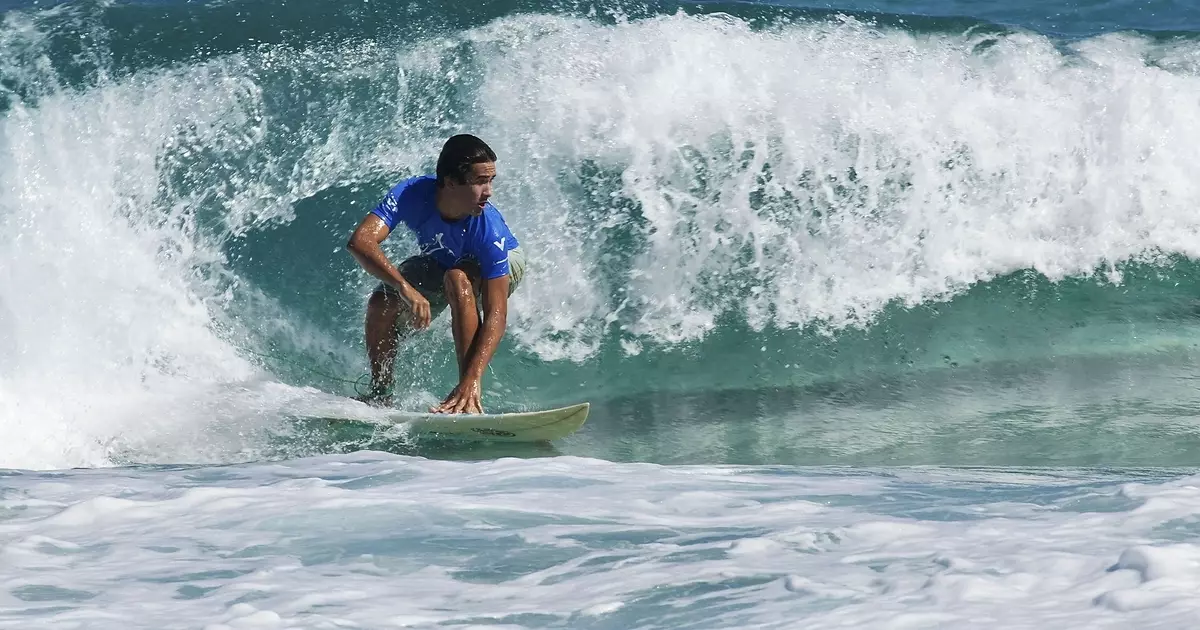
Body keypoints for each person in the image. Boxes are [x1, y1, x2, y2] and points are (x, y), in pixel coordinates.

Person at [346, 134, 524, 414]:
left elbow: (496, 314)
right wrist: (405, 288)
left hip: (505, 262)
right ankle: (381, 392)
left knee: (458, 278)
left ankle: (467, 395)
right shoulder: (412, 194)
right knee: (382, 301)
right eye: (480, 182)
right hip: (442, 259)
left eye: (491, 180)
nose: (489, 191)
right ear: (451, 182)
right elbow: (361, 241)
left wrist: (473, 377)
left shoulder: (488, 229)